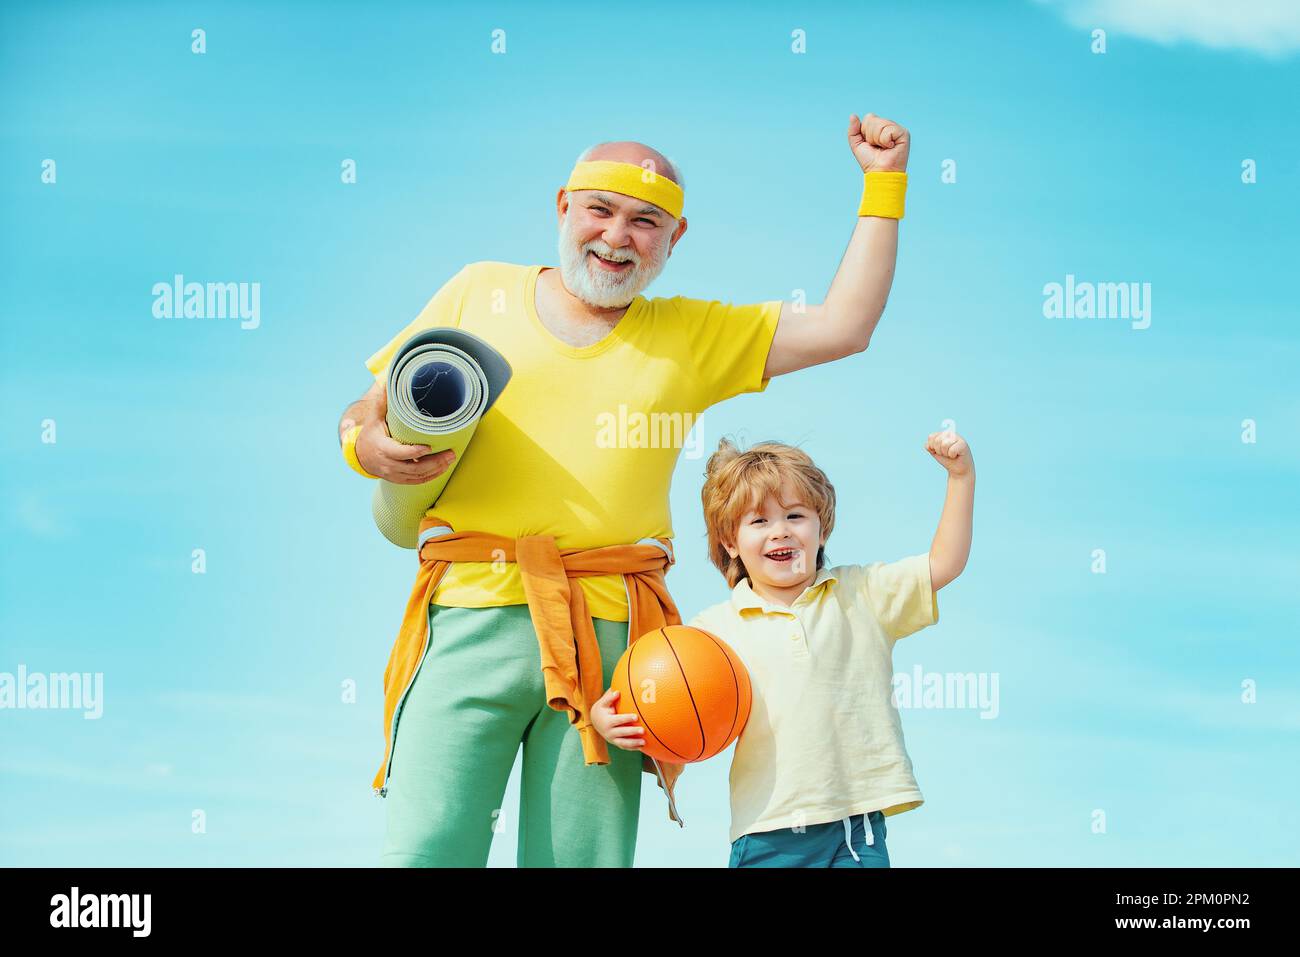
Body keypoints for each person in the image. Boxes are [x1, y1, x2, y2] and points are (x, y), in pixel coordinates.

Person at [339, 114, 914, 867]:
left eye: (646, 222)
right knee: (425, 848)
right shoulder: (480, 290)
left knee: (581, 860)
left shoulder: (691, 334)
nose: (618, 235)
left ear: (675, 239)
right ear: (562, 209)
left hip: (612, 643)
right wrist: (365, 445)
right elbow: (368, 408)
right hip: (468, 612)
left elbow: (846, 325)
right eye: (600, 210)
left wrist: (884, 182)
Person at [592, 429, 975, 867]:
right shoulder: (710, 634)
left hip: (853, 824)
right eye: (759, 522)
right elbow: (662, 702)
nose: (780, 532)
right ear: (731, 543)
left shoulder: (864, 594)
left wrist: (960, 477)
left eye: (795, 516)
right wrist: (611, 718)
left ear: (821, 528)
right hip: (766, 828)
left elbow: (945, 563)